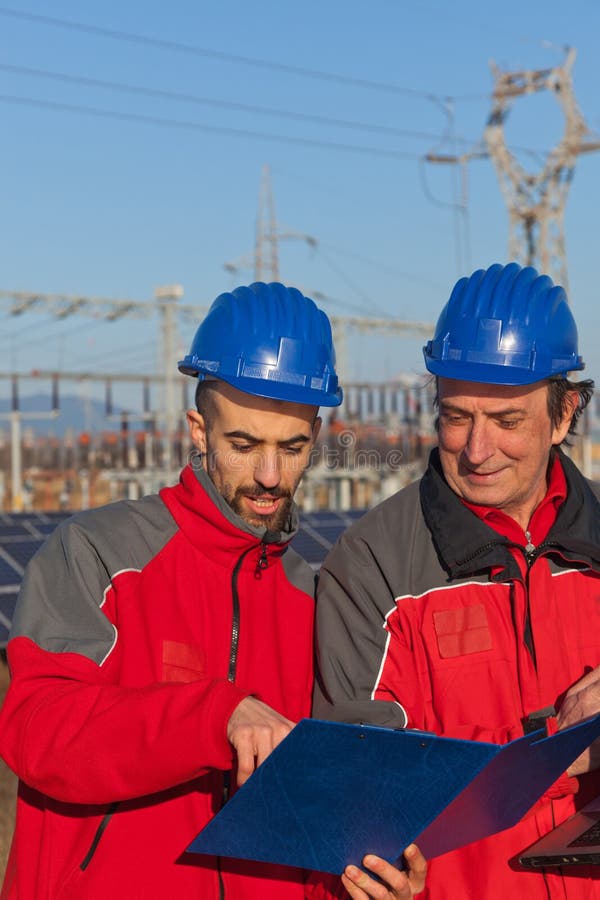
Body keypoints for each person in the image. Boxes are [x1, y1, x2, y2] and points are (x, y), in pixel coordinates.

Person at [0, 281, 425, 900]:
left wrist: (361, 880)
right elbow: (39, 730)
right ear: (199, 430)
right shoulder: (99, 553)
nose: (270, 476)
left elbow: (311, 818)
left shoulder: (316, 601)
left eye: (293, 446)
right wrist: (213, 714)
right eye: (244, 444)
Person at [313, 262, 600, 899]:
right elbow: (362, 785)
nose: (476, 449)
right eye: (456, 416)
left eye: (506, 420)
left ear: (565, 412)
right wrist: (566, 747)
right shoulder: (371, 568)